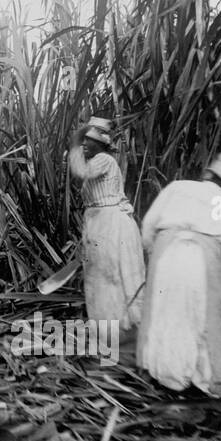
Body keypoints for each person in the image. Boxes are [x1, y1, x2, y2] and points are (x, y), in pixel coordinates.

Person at [137, 152, 221, 397]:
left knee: (166, 312)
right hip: (205, 263)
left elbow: (148, 226)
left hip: (166, 254)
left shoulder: (177, 188)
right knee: (200, 318)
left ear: (210, 174)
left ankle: (164, 373)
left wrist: (155, 256)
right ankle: (200, 379)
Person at [67, 116, 146, 331]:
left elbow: (81, 171)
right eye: (83, 140)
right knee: (105, 273)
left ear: (100, 144)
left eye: (88, 140)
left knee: (111, 273)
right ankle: (112, 326)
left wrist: (74, 143)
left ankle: (121, 326)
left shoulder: (103, 159)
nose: (84, 143)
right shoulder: (98, 161)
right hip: (102, 222)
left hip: (110, 223)